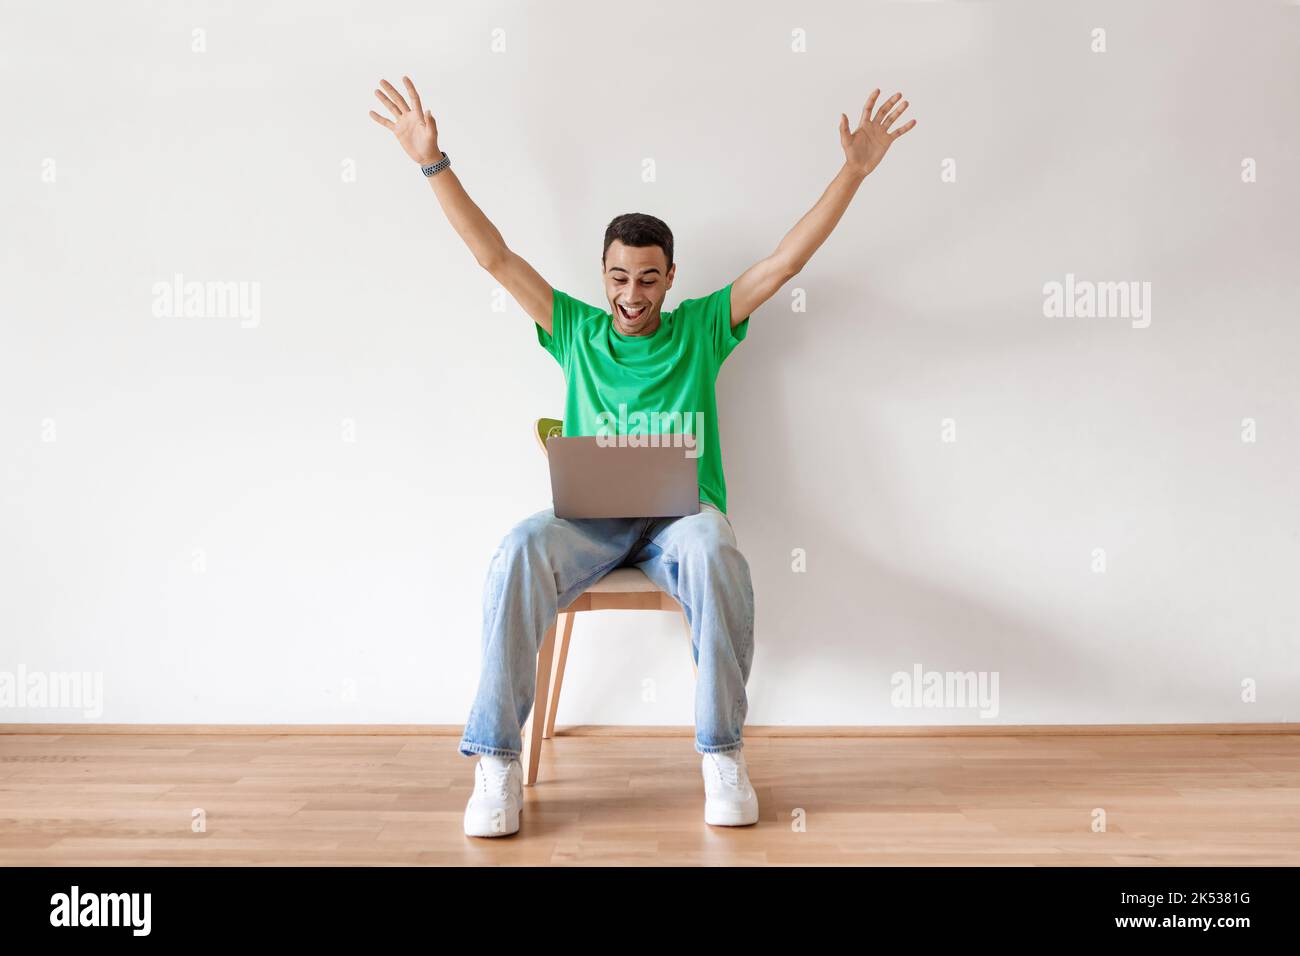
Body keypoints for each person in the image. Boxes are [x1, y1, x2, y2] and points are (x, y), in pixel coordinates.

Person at [369, 76, 916, 837]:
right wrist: (433, 164)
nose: (633, 295)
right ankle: (496, 762)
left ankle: (722, 754)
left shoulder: (700, 328)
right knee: (519, 546)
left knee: (716, 546)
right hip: (588, 524)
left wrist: (854, 171)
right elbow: (494, 258)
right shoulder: (573, 330)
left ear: (670, 277)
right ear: (604, 276)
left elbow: (783, 264)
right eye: (620, 278)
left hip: (678, 523)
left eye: (649, 279)